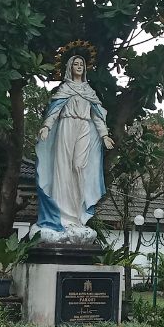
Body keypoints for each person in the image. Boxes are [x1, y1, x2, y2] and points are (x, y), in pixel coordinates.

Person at [34, 54, 114, 243]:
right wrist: (46, 126)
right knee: (63, 168)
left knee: (79, 168)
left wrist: (104, 135)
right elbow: (54, 111)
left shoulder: (89, 91)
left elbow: (96, 116)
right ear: (70, 68)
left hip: (84, 128)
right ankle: (62, 216)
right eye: (76, 64)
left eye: (81, 64)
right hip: (66, 127)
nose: (79, 66)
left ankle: (76, 215)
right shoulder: (64, 89)